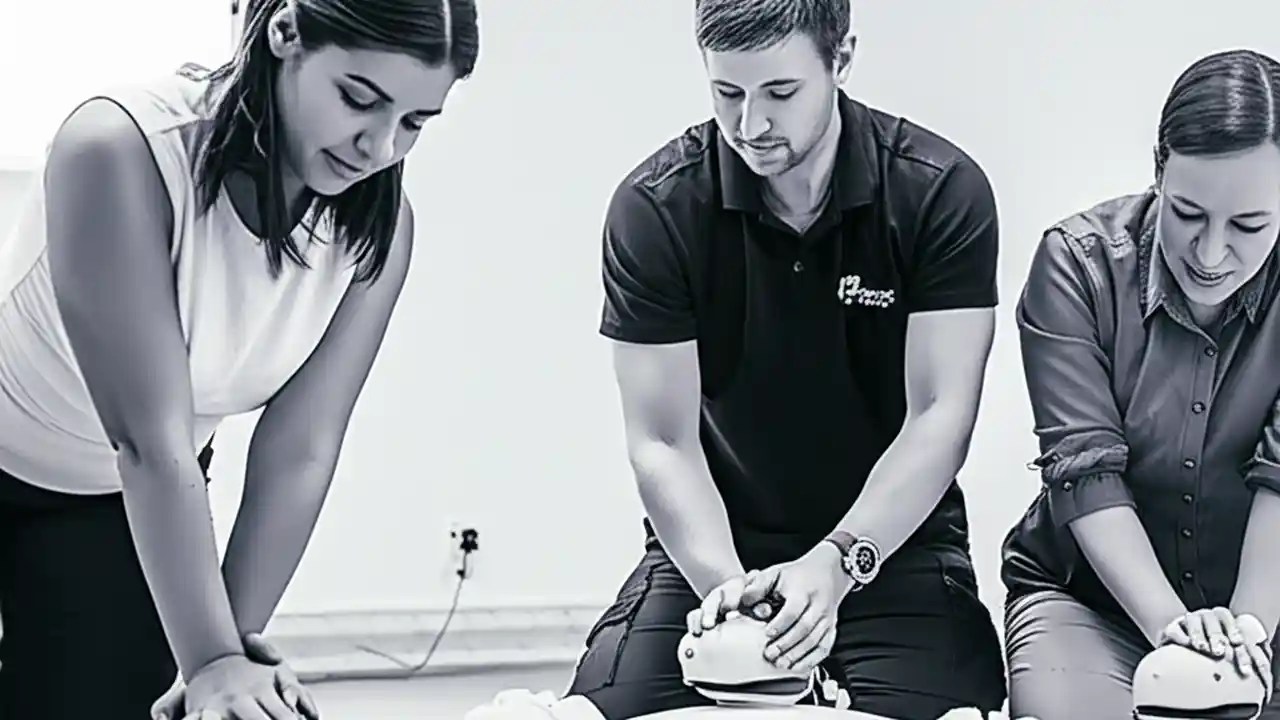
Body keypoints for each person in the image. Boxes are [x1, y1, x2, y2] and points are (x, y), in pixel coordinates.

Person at [0, 0, 478, 718]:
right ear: (285, 32)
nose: (379, 147)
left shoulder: (378, 227)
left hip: (108, 505)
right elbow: (150, 438)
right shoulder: (118, 147)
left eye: (414, 122)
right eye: (358, 99)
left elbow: (301, 449)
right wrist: (210, 658)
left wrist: (225, 660)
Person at [566, 1, 1007, 718]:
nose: (750, 126)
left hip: (890, 550)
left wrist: (838, 562)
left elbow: (939, 417)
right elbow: (662, 442)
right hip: (713, 553)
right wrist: (732, 594)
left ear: (842, 58)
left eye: (780, 92)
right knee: (610, 710)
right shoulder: (655, 208)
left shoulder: (939, 191)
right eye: (727, 93)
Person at [1001, 48, 1280, 720]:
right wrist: (1173, 631)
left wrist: (1242, 643)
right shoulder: (1076, 266)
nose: (1210, 254)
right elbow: (1085, 473)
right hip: (1093, 604)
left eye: (1249, 225)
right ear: (1158, 167)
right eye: (1188, 213)